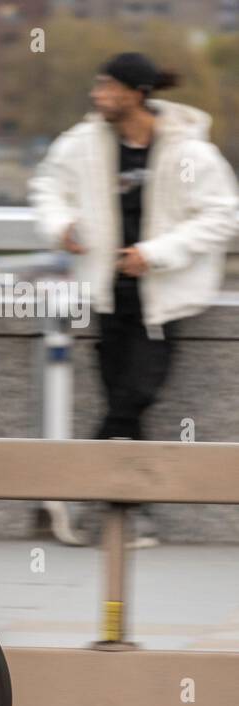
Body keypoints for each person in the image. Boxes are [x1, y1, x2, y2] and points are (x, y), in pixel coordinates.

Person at [29, 53, 239, 547]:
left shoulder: (190, 152)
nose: (97, 94)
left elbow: (223, 216)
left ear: (137, 93)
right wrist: (61, 226)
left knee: (134, 396)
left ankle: (69, 488)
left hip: (162, 299)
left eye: (108, 86)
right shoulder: (81, 144)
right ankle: (129, 514)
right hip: (106, 297)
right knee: (125, 404)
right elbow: (46, 187)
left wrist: (155, 253)